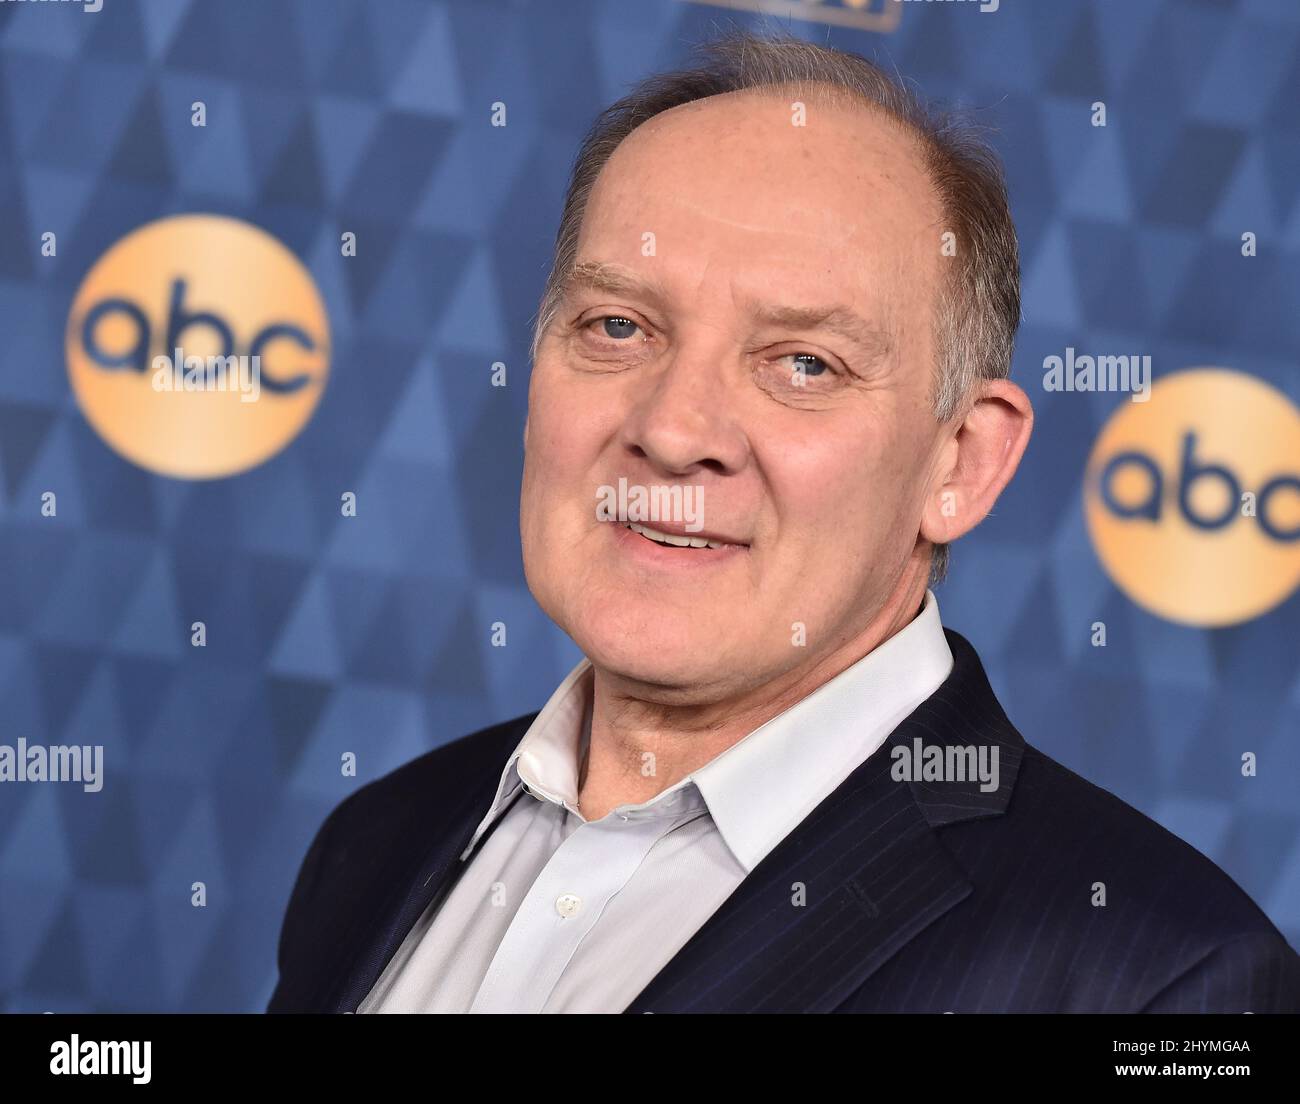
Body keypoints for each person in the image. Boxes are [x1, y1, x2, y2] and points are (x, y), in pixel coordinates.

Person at [267, 29, 1300, 1013]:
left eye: (803, 363)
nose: (673, 430)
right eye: (618, 327)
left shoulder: (1156, 976)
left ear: (962, 460)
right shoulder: (380, 839)